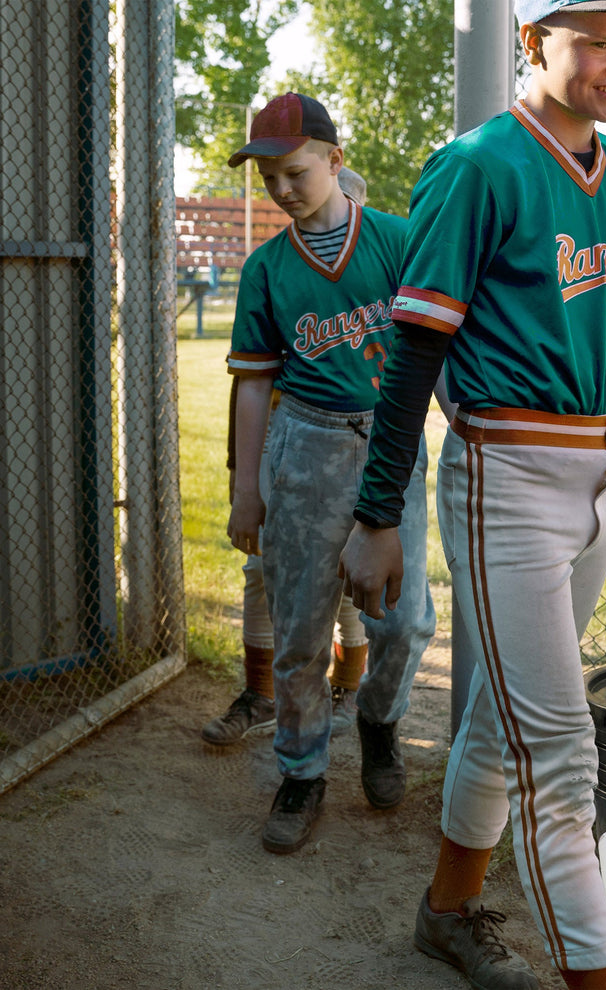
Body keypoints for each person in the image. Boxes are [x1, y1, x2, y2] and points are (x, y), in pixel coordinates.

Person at [338, 2, 606, 988]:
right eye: (597, 38)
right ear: (533, 42)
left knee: (494, 716)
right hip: (506, 477)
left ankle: (449, 909)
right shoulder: (478, 165)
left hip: (602, 467)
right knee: (560, 760)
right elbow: (415, 349)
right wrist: (377, 515)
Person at [225, 93, 438, 855]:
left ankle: (379, 723)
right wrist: (247, 487)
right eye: (269, 178)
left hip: (389, 445)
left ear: (335, 161)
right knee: (301, 630)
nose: (282, 189)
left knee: (405, 622)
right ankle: (303, 770)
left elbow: (432, 346)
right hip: (305, 446)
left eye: (295, 171)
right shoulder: (267, 269)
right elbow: (253, 383)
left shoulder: (396, 240)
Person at [200, 167, 374, 749]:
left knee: (354, 572)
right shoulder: (276, 273)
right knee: (262, 572)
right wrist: (239, 475)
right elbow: (247, 384)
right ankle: (260, 694)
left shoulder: (372, 265)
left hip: (355, 441)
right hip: (282, 446)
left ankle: (350, 687)